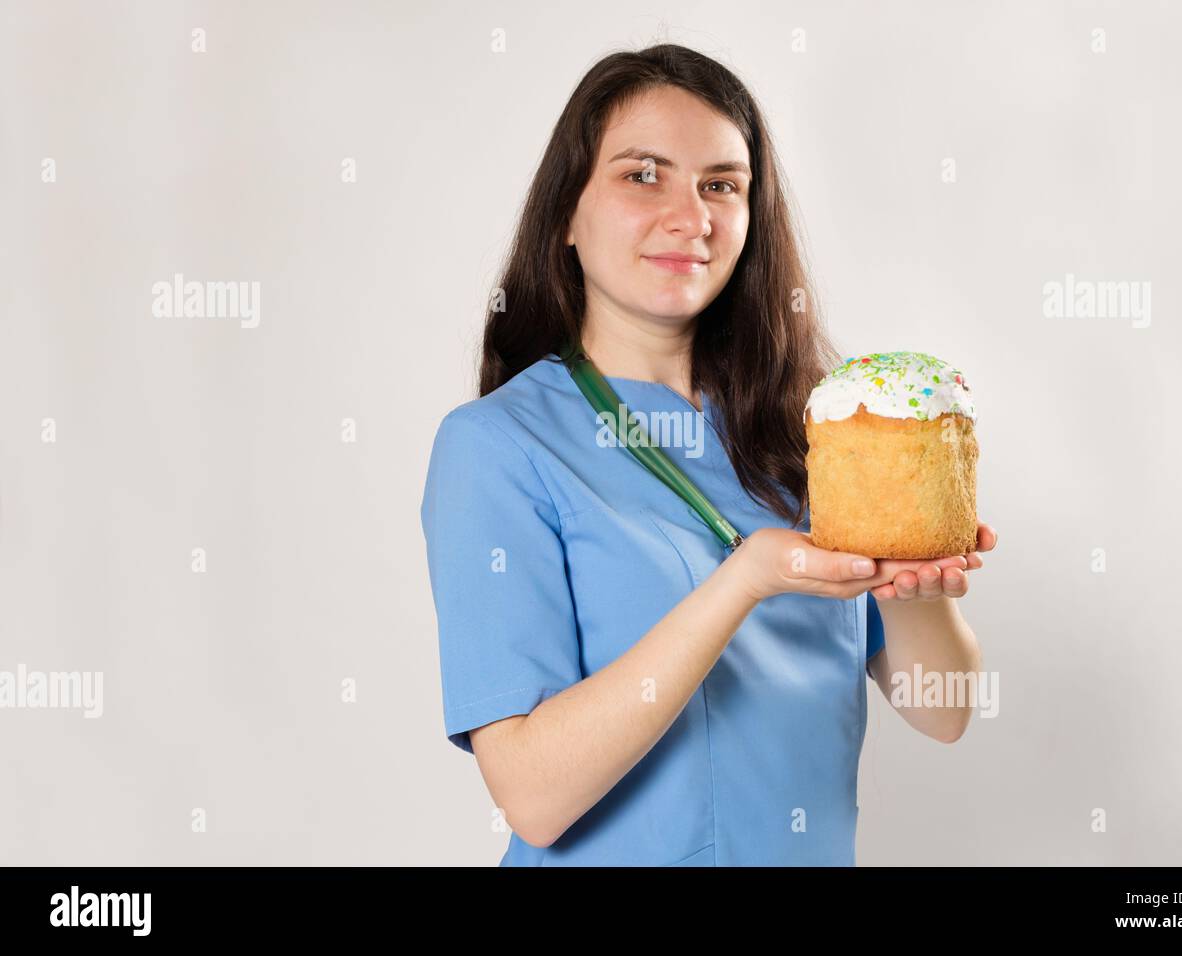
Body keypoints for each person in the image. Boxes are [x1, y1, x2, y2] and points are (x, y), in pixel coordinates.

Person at [420, 44, 996, 866]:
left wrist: (917, 582)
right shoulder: (497, 448)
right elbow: (534, 797)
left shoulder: (813, 432)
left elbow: (942, 712)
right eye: (643, 175)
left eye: (721, 185)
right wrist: (745, 581)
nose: (692, 218)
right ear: (566, 216)